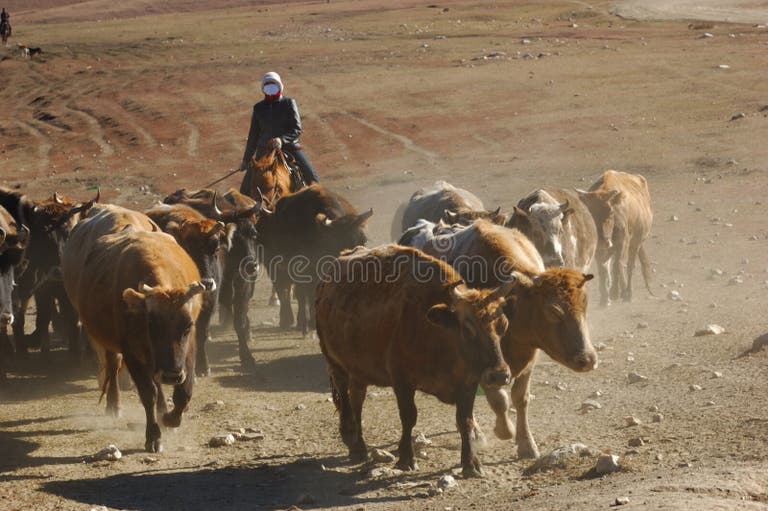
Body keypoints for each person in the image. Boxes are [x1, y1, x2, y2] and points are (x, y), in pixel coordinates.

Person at [238, 72, 319, 192]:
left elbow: (296, 129)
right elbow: (253, 137)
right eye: (267, 84)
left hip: (289, 147)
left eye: (273, 83)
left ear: (279, 85)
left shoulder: (288, 103)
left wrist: (281, 140)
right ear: (263, 88)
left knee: (312, 177)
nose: (270, 86)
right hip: (264, 150)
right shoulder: (258, 108)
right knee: (244, 189)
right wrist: (246, 160)